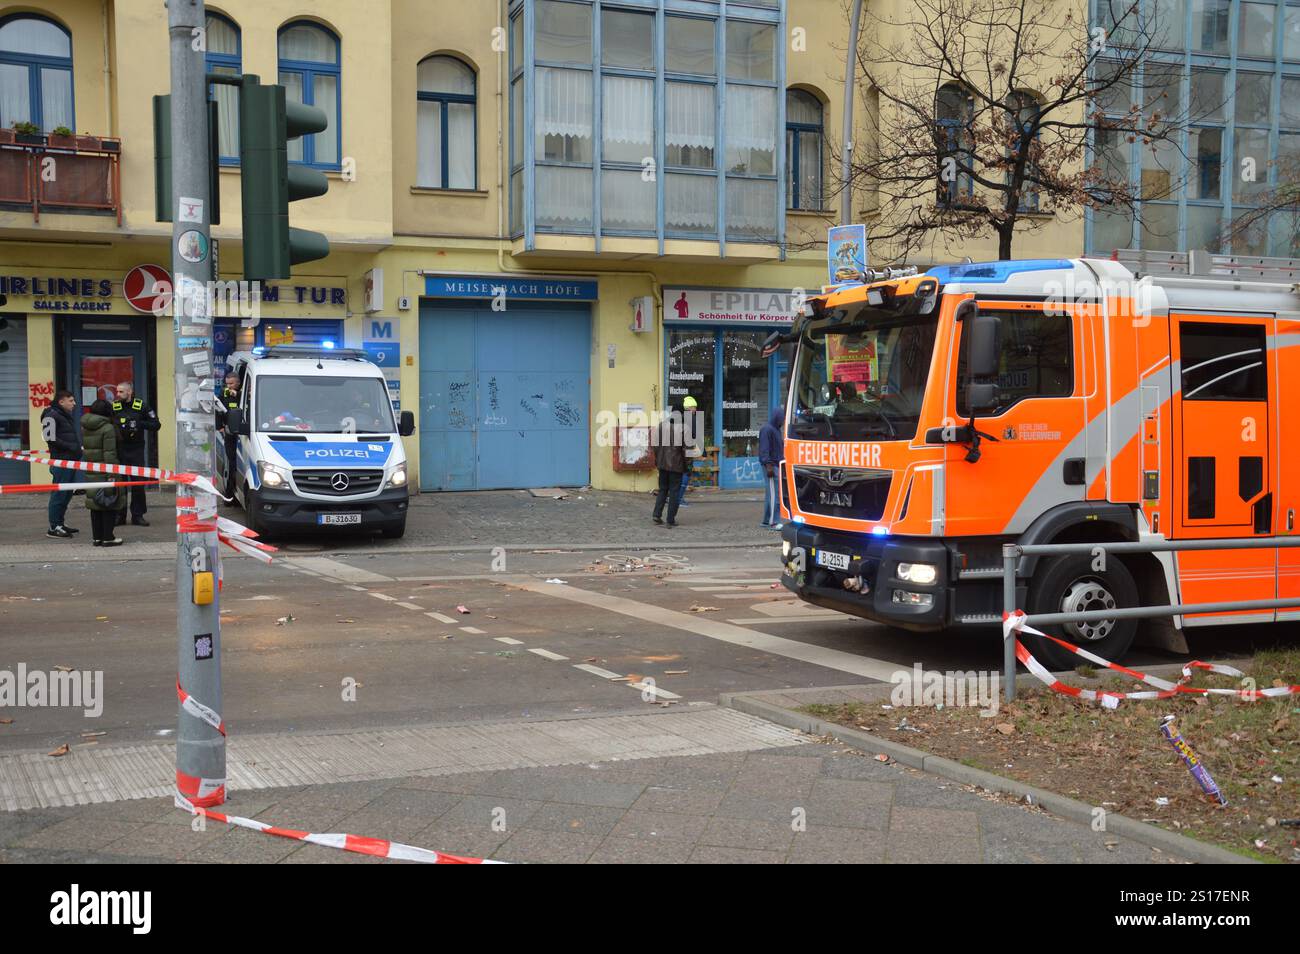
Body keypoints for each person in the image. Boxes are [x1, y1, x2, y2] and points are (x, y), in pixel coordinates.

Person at [112, 381, 160, 526]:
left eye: (121, 392)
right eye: (117, 391)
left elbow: (156, 425)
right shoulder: (114, 407)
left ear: (129, 392)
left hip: (136, 449)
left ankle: (137, 515)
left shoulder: (141, 406)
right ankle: (120, 515)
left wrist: (138, 423)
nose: (118, 394)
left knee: (137, 484)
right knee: (120, 484)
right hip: (119, 449)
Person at [82, 399, 125, 547]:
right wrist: (112, 473)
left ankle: (97, 537)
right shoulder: (107, 428)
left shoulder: (87, 426)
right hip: (106, 469)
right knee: (109, 502)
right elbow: (109, 453)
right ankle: (108, 537)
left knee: (95, 503)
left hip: (92, 469)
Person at [40, 390, 82, 538]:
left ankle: (60, 523)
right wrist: (70, 447)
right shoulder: (51, 414)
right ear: (61, 402)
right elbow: (48, 437)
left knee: (66, 493)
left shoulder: (62, 415)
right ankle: (54, 527)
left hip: (69, 460)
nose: (74, 403)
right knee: (59, 493)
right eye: (71, 400)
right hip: (61, 460)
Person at [652, 406, 687, 528]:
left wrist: (657, 461)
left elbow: (655, 446)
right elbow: (686, 452)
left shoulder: (661, 426)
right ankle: (670, 519)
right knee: (674, 493)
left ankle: (657, 515)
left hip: (662, 465)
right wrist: (687, 467)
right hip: (676, 466)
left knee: (663, 490)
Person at [759, 406, 785, 529]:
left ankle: (766, 521)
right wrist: (768, 465)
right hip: (771, 466)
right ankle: (773, 522)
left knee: (772, 494)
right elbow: (764, 449)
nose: (783, 421)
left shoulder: (775, 429)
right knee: (775, 495)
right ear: (777, 417)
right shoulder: (767, 429)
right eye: (782, 418)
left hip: (774, 465)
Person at [216, 371, 241, 499]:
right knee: (231, 463)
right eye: (227, 384)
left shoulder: (243, 392)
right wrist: (219, 426)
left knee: (239, 463)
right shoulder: (224, 392)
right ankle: (230, 493)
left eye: (231, 384)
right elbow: (218, 409)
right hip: (229, 432)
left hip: (243, 432)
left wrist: (238, 395)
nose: (228, 386)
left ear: (238, 382)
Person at [677, 395, 701, 507]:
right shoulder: (690, 420)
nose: (695, 410)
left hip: (678, 451)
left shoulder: (678, 418)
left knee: (679, 474)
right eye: (694, 407)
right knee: (686, 473)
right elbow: (694, 436)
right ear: (689, 408)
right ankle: (679, 498)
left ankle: (676, 497)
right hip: (687, 450)